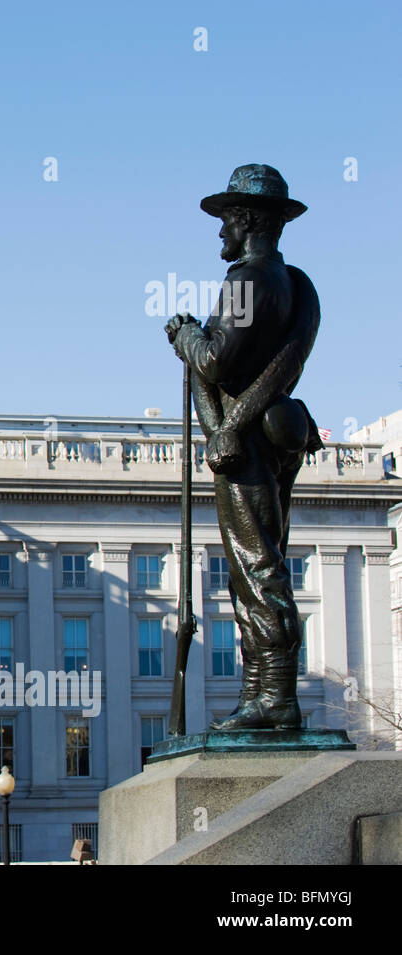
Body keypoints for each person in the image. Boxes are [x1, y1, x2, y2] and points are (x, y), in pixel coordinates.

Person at [164, 164, 321, 731]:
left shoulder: (246, 283)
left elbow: (214, 361)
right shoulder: (298, 284)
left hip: (249, 442)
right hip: (276, 431)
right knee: (260, 561)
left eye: (227, 220)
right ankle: (262, 694)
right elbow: (288, 364)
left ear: (250, 221)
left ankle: (275, 696)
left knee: (256, 566)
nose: (220, 234)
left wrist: (185, 336)